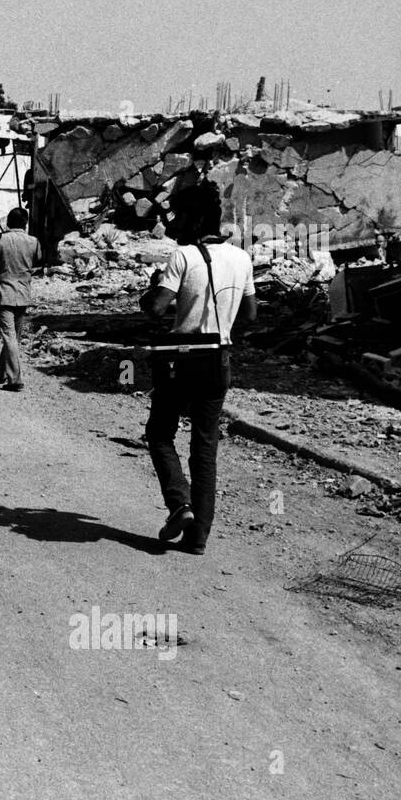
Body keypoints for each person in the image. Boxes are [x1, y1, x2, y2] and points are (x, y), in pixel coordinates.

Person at [139, 181, 256, 556]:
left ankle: (180, 504)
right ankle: (198, 538)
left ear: (198, 217)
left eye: (181, 215)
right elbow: (251, 315)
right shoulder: (242, 258)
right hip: (219, 359)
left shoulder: (183, 256)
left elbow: (156, 309)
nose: (176, 223)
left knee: (159, 433)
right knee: (204, 450)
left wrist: (154, 288)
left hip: (182, 359)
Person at [0, 207, 42, 391]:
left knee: (9, 336)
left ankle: (14, 380)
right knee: (14, 337)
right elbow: (38, 259)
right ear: (25, 223)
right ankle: (3, 374)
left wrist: (1, 269)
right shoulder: (33, 241)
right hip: (24, 294)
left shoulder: (1, 240)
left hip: (4, 293)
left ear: (8, 222)